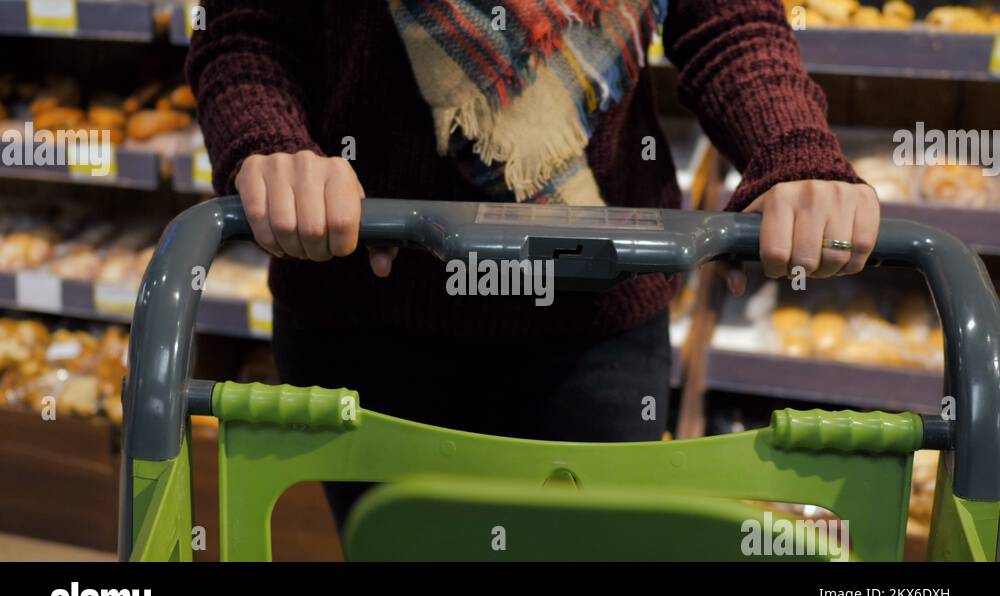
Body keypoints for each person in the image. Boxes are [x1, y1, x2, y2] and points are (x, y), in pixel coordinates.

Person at [186, 0, 879, 529]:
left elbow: (729, 22)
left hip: (594, 322)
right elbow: (242, 27)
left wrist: (793, 148)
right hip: (360, 313)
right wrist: (266, 142)